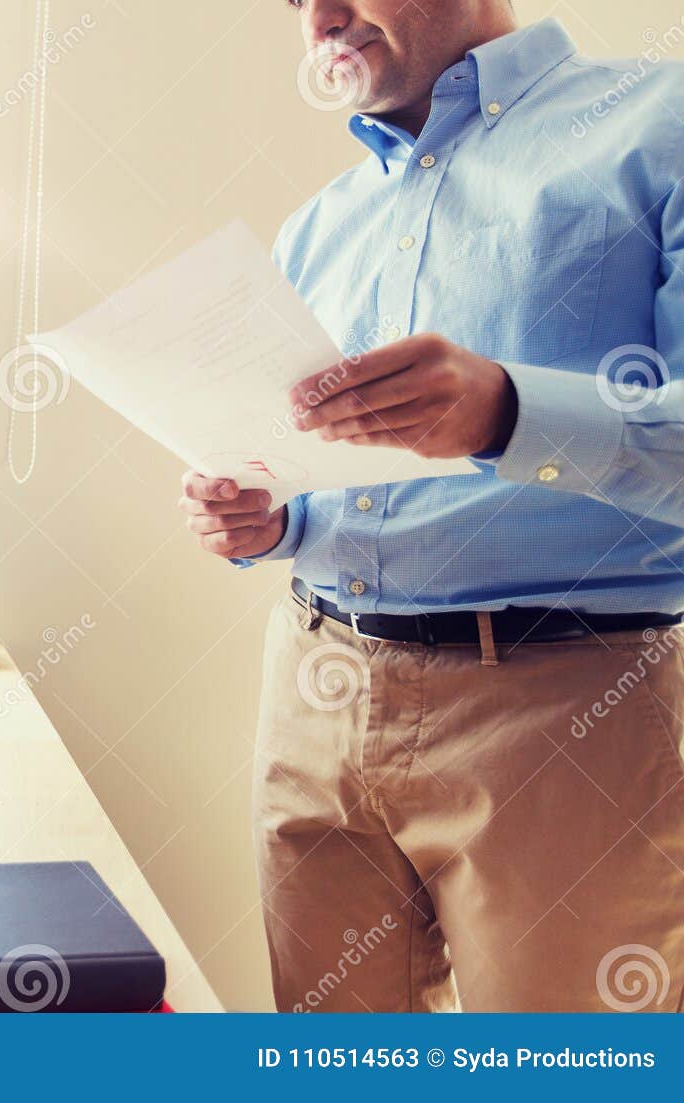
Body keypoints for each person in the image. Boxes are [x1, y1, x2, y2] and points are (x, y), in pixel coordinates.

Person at [182, 4, 684, 1011]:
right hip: (311, 695)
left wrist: (503, 410)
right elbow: (327, 476)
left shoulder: (662, 120)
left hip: (564, 711)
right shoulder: (318, 224)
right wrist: (277, 522)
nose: (318, 16)